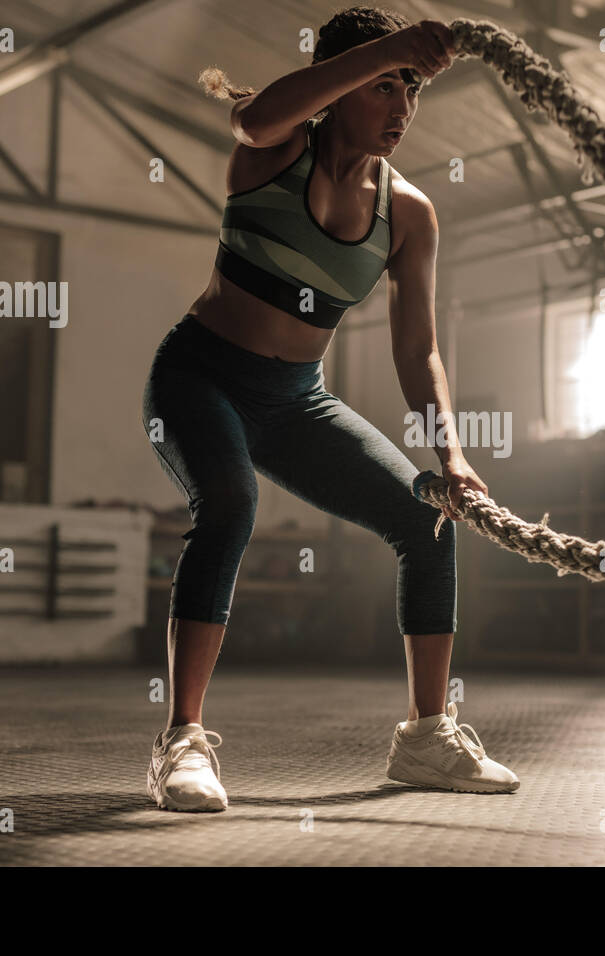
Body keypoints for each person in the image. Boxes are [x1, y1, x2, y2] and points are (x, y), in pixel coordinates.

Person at [141, 6, 520, 810]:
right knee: (231, 504)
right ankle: (181, 743)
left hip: (293, 403)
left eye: (411, 91)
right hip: (198, 376)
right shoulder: (274, 152)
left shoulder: (409, 214)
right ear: (340, 85)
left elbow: (418, 348)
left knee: (426, 520)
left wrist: (449, 453)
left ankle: (425, 738)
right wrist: (390, 47)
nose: (401, 108)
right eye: (383, 86)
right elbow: (254, 114)